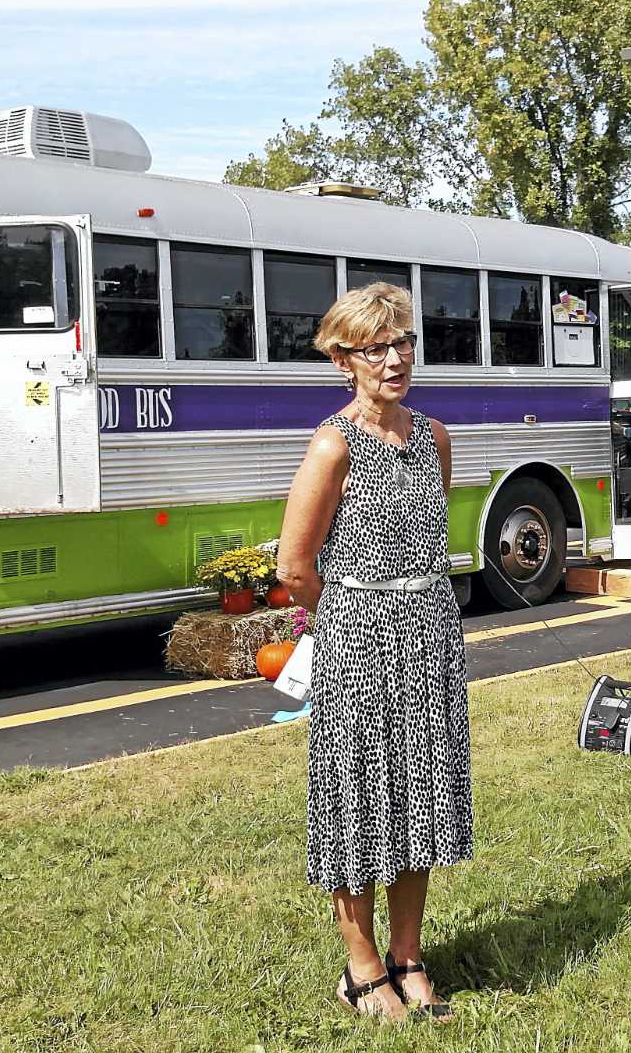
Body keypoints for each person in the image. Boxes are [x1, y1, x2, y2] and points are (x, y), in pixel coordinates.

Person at [276, 283, 471, 1025]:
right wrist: (356, 619)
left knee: (420, 795)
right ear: (342, 359)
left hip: (430, 631)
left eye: (404, 343)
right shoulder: (333, 442)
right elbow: (295, 567)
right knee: (359, 801)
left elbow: (430, 534)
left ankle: (409, 957)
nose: (395, 359)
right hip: (359, 635)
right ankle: (361, 970)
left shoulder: (433, 436)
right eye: (376, 348)